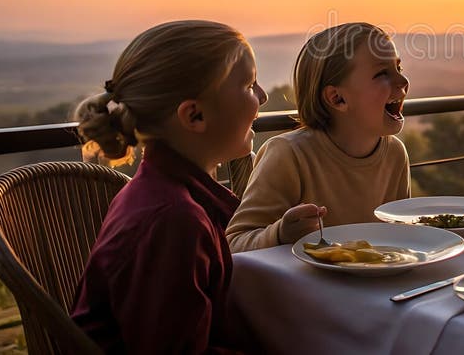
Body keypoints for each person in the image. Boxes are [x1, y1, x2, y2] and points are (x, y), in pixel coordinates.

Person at [70, 20, 267, 354]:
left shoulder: (166, 197)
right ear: (194, 116)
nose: (262, 96)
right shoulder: (173, 221)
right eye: (249, 85)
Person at [226, 22, 410, 252]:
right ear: (337, 99)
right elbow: (234, 243)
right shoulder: (289, 154)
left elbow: (402, 238)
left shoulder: (395, 153)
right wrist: (281, 233)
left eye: (399, 69)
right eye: (382, 73)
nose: (403, 82)